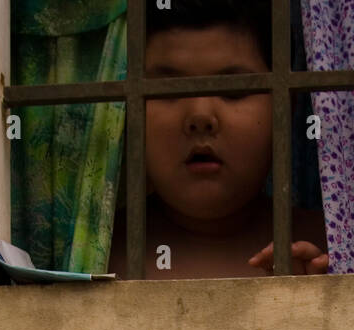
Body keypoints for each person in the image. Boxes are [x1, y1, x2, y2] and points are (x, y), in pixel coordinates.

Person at [108, 0, 329, 279]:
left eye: (234, 90)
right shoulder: (89, 256)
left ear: (288, 104)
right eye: (169, 90)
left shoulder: (337, 250)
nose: (200, 116)